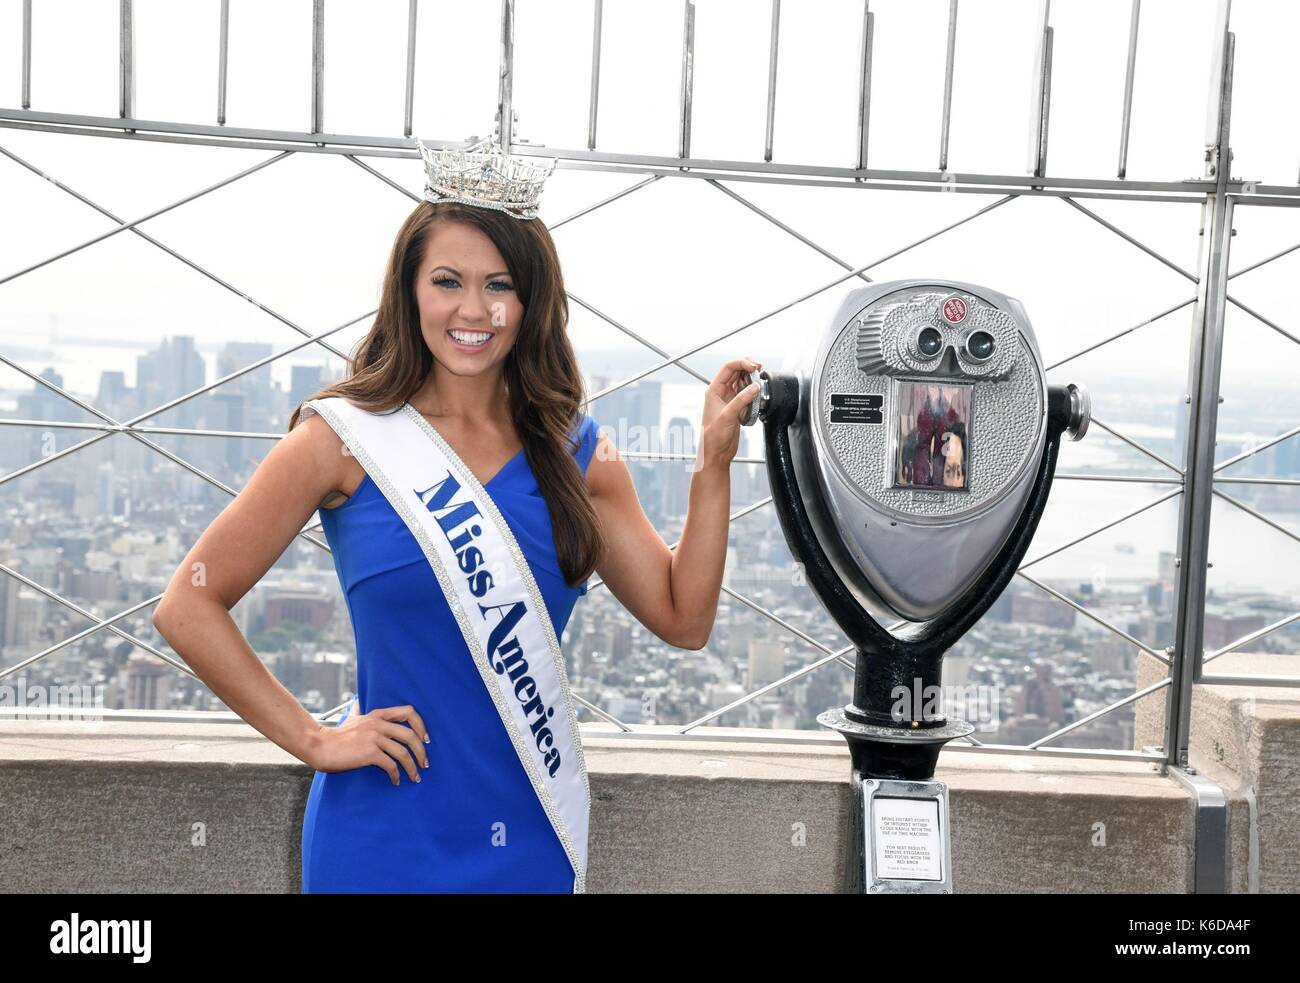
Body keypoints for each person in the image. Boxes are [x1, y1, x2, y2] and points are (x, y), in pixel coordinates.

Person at [151, 134, 761, 894]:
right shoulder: (341, 439)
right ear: (410, 290)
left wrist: (713, 461)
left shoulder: (579, 453)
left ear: (531, 300)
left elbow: (684, 617)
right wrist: (314, 737)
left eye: (499, 285)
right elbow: (187, 603)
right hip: (377, 837)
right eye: (448, 281)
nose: (474, 310)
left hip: (528, 832)